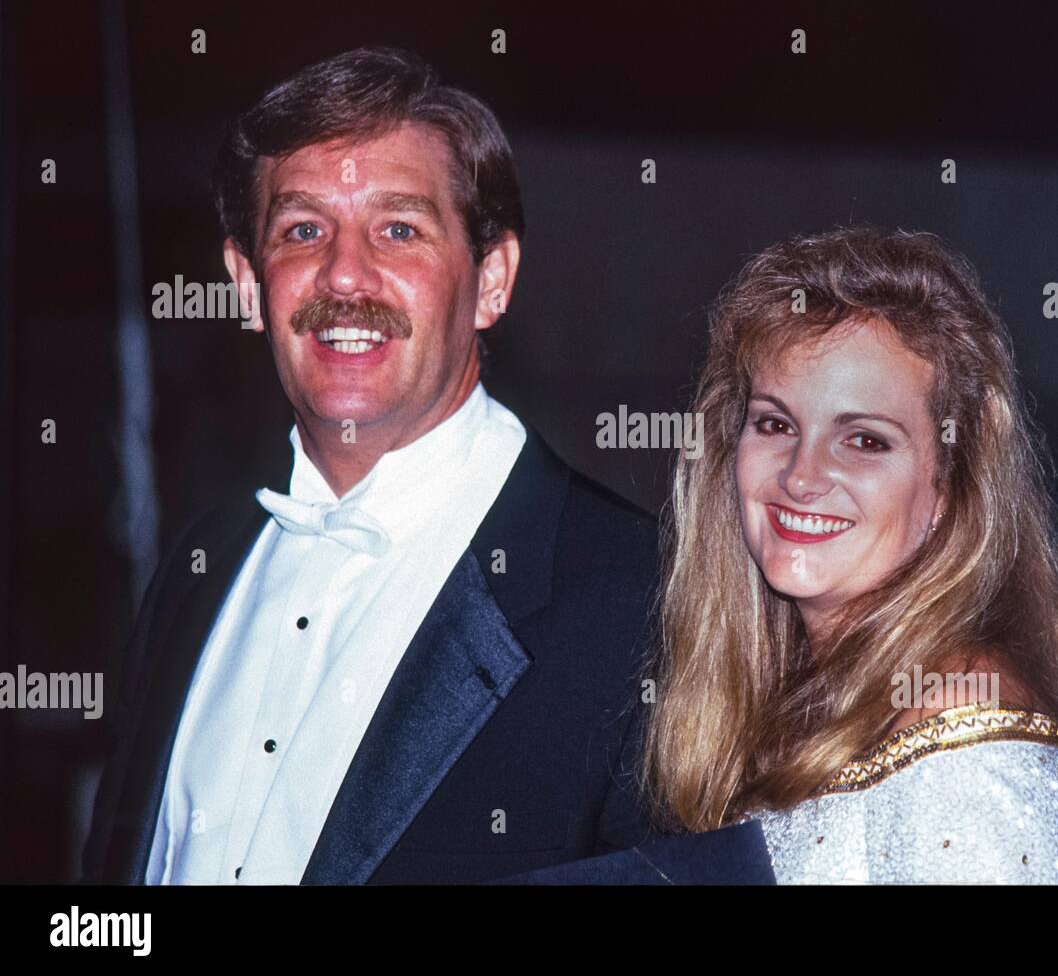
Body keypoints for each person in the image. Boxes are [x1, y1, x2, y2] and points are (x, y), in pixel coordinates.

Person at [80, 46, 658, 885]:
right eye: (303, 229)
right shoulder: (195, 569)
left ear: (492, 278)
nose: (345, 274)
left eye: (399, 228)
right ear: (247, 285)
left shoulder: (640, 603)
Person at [643, 225, 1058, 883]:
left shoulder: (968, 735)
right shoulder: (802, 695)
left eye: (865, 440)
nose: (801, 475)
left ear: (948, 485)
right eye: (776, 424)